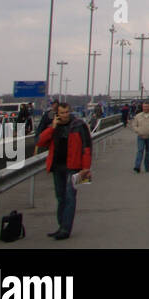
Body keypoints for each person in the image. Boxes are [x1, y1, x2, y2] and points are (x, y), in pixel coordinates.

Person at [35, 101, 92, 240]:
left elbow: (87, 147)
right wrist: (52, 128)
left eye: (67, 112)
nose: (65, 115)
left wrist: (86, 168)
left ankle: (66, 229)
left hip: (74, 167)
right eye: (62, 113)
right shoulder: (54, 127)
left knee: (70, 197)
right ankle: (61, 226)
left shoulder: (79, 125)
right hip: (57, 167)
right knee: (60, 197)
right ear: (57, 114)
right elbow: (40, 141)